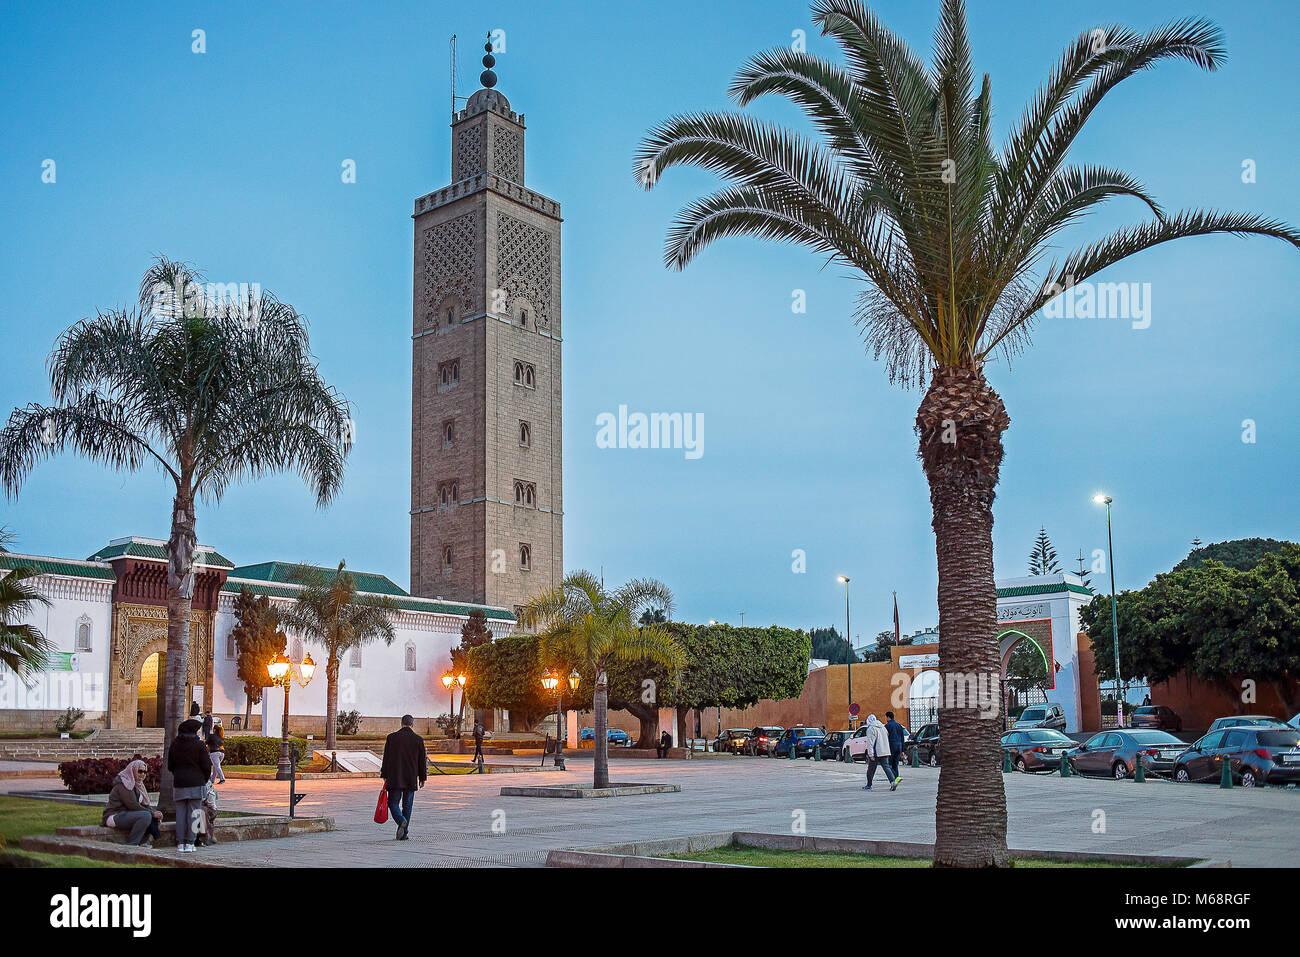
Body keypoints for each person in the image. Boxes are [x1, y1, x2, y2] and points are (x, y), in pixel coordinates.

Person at [167, 718, 212, 852]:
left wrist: (179, 774)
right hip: (196, 782)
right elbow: (206, 766)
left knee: (180, 814)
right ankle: (190, 843)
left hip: (180, 782)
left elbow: (171, 765)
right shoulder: (199, 745)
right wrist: (202, 779)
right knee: (194, 814)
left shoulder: (175, 744)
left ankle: (180, 843)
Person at [380, 714, 427, 840]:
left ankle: (401, 821)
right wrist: (422, 778)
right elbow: (422, 761)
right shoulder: (418, 739)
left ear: (401, 723)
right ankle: (404, 832)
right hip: (411, 777)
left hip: (395, 776)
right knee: (407, 805)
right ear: (412, 724)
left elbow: (386, 758)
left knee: (392, 803)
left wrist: (384, 774)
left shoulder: (391, 738)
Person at [103, 758, 162, 846]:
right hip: (114, 815)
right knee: (146, 815)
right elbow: (132, 804)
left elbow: (144, 805)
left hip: (128, 814)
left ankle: (142, 842)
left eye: (145, 772)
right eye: (140, 771)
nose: (142, 774)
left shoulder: (138, 785)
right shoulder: (124, 784)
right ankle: (132, 844)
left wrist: (155, 812)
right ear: (133, 770)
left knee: (153, 816)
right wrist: (151, 813)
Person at [859, 713, 899, 792]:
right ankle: (893, 782)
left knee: (871, 769)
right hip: (885, 751)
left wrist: (871, 754)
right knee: (886, 767)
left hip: (876, 752)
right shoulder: (883, 727)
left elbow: (870, 743)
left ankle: (869, 785)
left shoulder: (871, 729)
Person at [883, 711, 907, 781]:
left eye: (886, 717)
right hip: (899, 746)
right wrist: (902, 750)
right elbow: (902, 738)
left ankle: (895, 777)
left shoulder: (887, 726)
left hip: (891, 746)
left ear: (888, 717)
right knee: (895, 764)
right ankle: (896, 778)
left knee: (888, 765)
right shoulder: (899, 725)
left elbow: (885, 738)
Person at [207, 717, 226, 784]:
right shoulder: (221, 737)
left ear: (214, 730)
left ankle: (222, 778)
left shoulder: (211, 736)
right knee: (216, 766)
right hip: (222, 753)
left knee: (217, 766)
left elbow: (207, 743)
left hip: (214, 753)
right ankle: (212, 780)